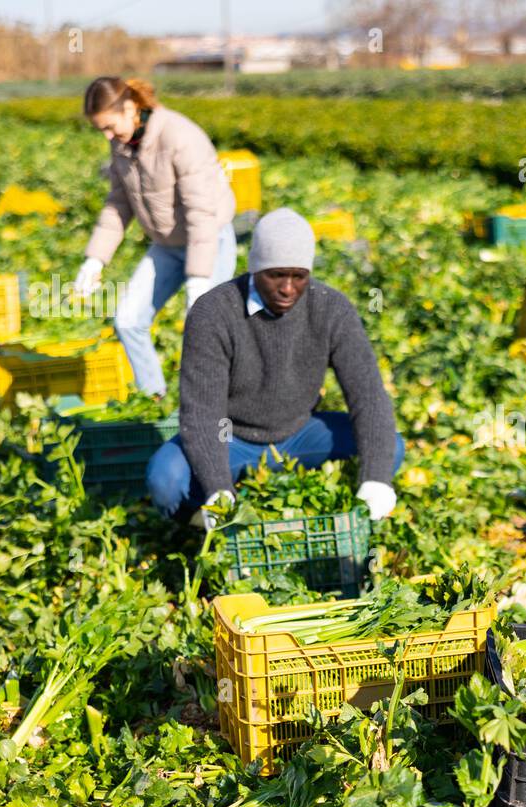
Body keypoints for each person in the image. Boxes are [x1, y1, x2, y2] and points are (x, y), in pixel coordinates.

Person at [146, 207, 404, 528]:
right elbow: (201, 412)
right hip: (231, 437)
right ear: (255, 268)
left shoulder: (331, 308)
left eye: (299, 276)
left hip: (300, 434)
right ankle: (215, 525)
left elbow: (368, 395)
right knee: (166, 479)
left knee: (389, 446)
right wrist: (217, 487)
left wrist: (376, 479)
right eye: (276, 275)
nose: (287, 288)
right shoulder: (214, 312)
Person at [74, 76, 238, 399]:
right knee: (128, 320)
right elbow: (119, 203)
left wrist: (199, 278)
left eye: (110, 126)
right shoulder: (122, 144)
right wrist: (94, 259)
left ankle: (224, 411)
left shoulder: (179, 137)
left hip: (208, 241)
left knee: (207, 333)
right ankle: (156, 402)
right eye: (101, 130)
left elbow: (201, 211)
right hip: (166, 245)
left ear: (131, 108)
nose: (108, 136)